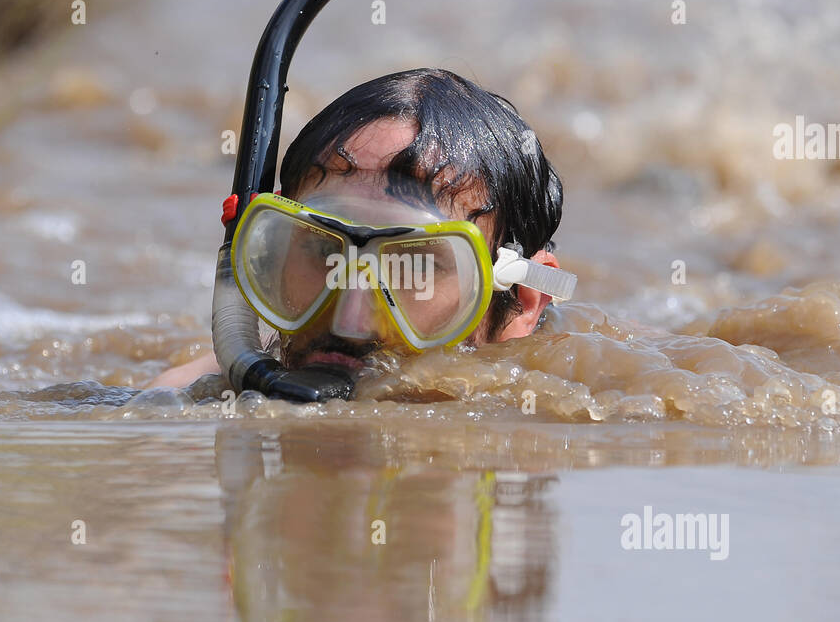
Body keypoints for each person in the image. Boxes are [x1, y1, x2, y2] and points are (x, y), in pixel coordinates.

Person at [147, 67, 573, 389]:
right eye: (322, 251)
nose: (350, 323)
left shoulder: (575, 414)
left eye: (416, 266)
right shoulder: (187, 395)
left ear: (524, 301)